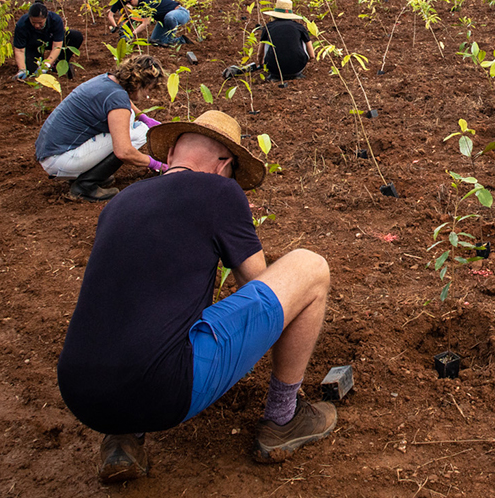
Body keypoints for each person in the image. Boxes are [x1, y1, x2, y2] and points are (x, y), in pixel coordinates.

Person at [57, 110, 335, 483]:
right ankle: (284, 418)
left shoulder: (119, 203)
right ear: (224, 166)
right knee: (309, 268)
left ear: (171, 153)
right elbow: (259, 287)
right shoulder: (219, 190)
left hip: (80, 393)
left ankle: (122, 436)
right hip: (164, 390)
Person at [35, 55, 166, 201]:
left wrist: (143, 117)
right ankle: (85, 186)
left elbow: (123, 101)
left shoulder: (107, 81)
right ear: (138, 84)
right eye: (148, 89)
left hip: (51, 152)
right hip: (60, 160)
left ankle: (89, 174)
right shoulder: (117, 100)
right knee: (138, 133)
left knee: (134, 123)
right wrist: (157, 164)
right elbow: (124, 152)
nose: (147, 95)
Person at [14, 1, 84, 80]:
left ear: (46, 17)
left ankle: (57, 64)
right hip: (32, 46)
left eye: (40, 23)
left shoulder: (55, 20)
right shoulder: (22, 24)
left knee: (75, 36)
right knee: (32, 72)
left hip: (51, 41)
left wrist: (47, 64)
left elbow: (57, 46)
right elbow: (19, 50)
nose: (36, 26)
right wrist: (22, 69)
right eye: (33, 22)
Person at [106, 0, 191, 46]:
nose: (129, 4)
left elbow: (146, 23)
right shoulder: (139, 4)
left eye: (130, 1)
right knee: (155, 41)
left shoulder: (146, 2)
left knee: (170, 17)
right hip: (164, 20)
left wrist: (131, 35)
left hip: (180, 13)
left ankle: (171, 39)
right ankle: (182, 40)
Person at [255, 0, 315, 81]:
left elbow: (260, 53)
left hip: (274, 69)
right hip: (297, 68)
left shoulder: (268, 27)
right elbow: (312, 55)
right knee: (301, 39)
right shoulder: (299, 27)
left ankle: (274, 72)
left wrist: (261, 64)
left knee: (268, 41)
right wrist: (308, 61)